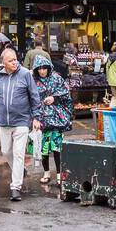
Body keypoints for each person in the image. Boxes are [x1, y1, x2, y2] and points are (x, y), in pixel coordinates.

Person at [0, 47, 42, 201]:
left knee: (18, 153)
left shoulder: (24, 74)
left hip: (22, 121)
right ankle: (20, 170)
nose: (15, 62)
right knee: (6, 152)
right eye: (11, 60)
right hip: (4, 121)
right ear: (3, 62)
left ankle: (15, 187)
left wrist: (36, 117)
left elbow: (34, 96)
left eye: (16, 59)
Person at [31, 54, 73, 184]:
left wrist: (54, 98)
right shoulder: (33, 81)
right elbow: (31, 100)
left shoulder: (57, 78)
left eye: (44, 68)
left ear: (49, 68)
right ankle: (46, 173)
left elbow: (67, 94)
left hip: (56, 119)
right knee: (43, 148)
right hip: (42, 119)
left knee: (57, 148)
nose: (42, 71)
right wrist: (34, 118)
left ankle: (60, 174)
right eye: (39, 68)